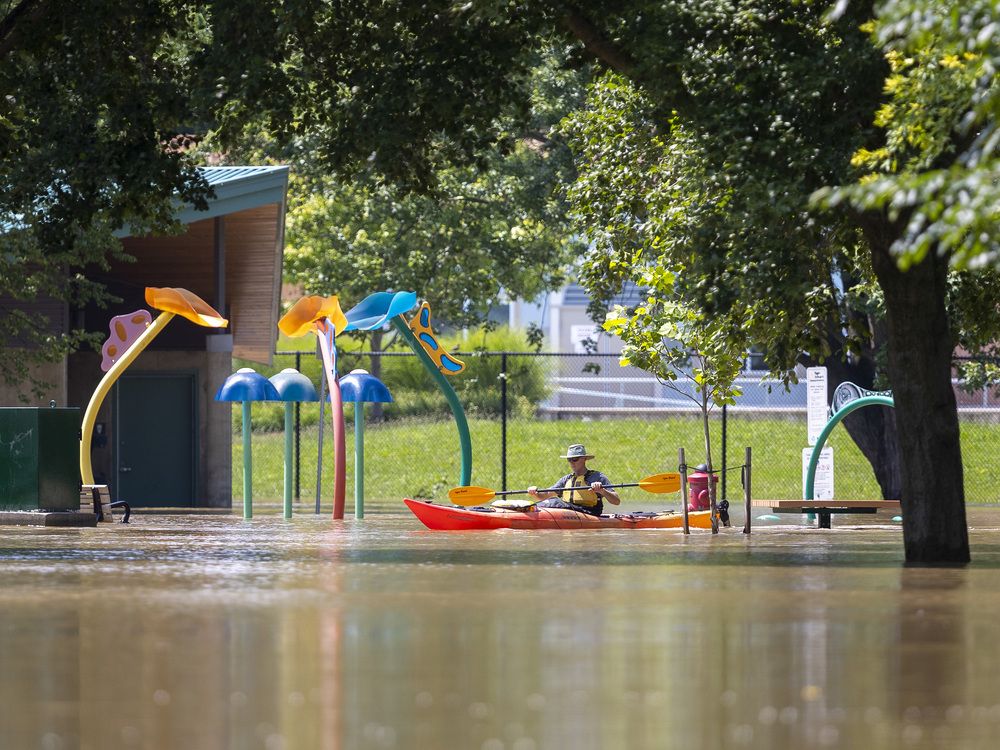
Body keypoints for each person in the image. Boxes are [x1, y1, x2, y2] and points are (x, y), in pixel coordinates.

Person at [527, 444, 621, 516]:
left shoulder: (597, 477)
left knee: (556, 502)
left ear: (584, 459)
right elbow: (546, 495)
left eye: (575, 459)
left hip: (589, 512)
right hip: (569, 512)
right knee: (552, 501)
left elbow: (616, 501)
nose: (572, 462)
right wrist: (535, 493)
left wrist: (602, 491)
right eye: (569, 460)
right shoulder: (566, 479)